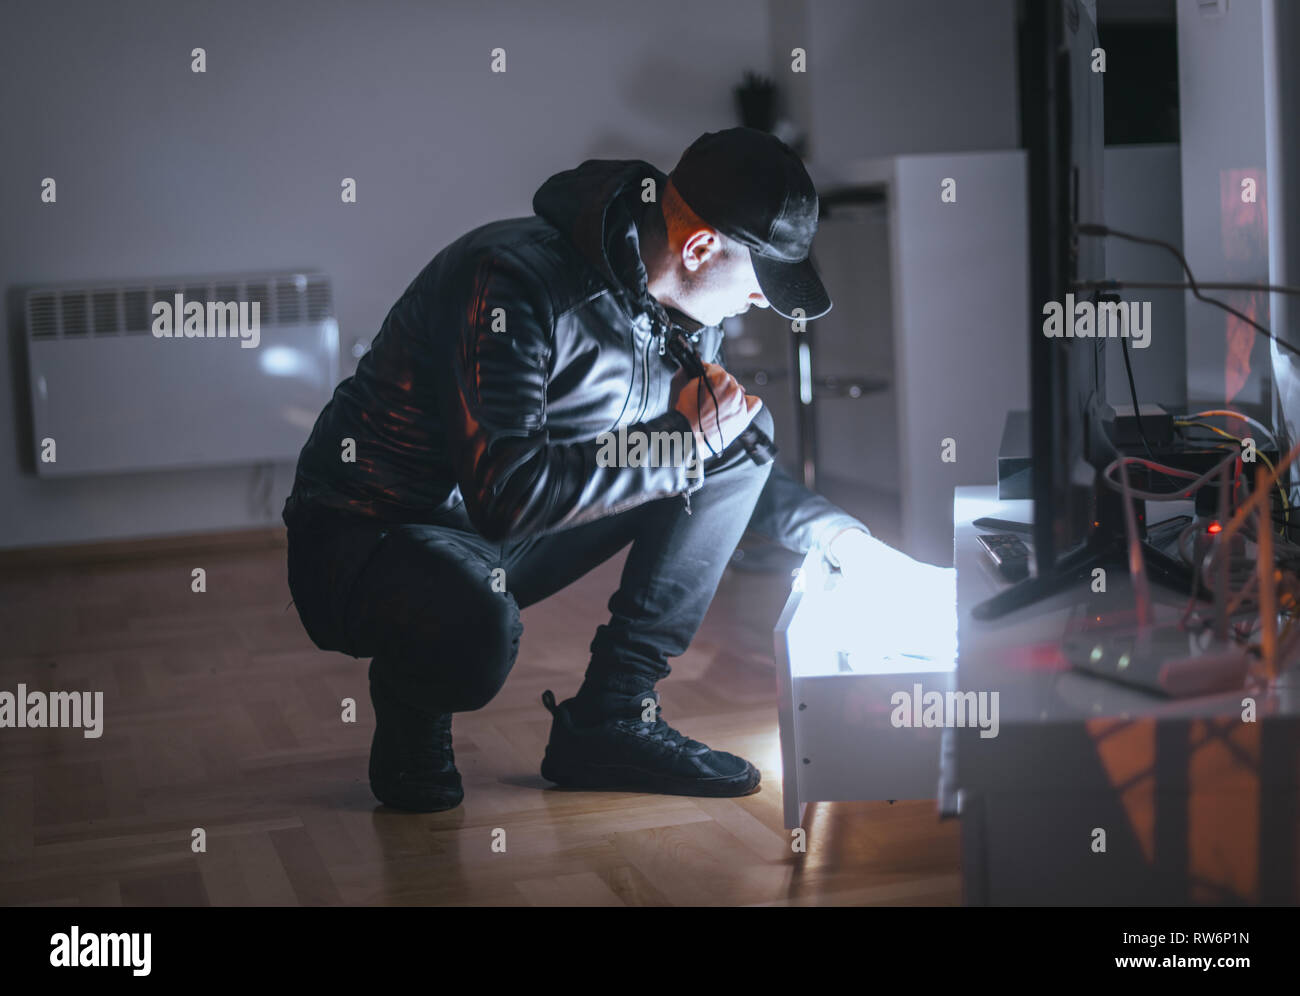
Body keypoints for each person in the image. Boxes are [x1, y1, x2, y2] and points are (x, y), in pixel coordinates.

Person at [282, 127, 888, 812]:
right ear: (698, 248)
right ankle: (412, 690)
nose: (762, 304)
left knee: (742, 433)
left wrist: (838, 537)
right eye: (761, 286)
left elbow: (723, 456)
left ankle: (612, 717)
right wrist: (677, 446)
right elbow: (506, 494)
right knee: (475, 626)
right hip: (371, 538)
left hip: (496, 534)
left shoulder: (683, 313)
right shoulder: (508, 282)